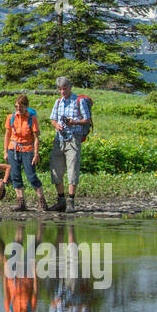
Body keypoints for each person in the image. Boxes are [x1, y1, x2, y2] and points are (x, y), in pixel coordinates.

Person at [49, 76, 91, 213]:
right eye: (60, 89)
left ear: (70, 87)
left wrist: (74, 122)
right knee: (56, 168)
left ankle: (71, 201)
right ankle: (61, 200)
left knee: (72, 168)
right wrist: (58, 126)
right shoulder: (58, 102)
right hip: (59, 138)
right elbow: (53, 120)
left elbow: (87, 119)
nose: (62, 91)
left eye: (64, 88)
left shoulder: (79, 101)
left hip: (74, 138)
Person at [3, 93, 50, 213]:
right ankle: (21, 201)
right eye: (16, 107)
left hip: (27, 149)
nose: (18, 109)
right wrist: (5, 151)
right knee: (15, 175)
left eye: (21, 107)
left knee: (31, 175)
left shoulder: (31, 119)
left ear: (26, 107)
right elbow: (7, 135)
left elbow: (36, 138)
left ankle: (41, 200)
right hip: (13, 148)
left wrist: (36, 154)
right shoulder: (11, 117)